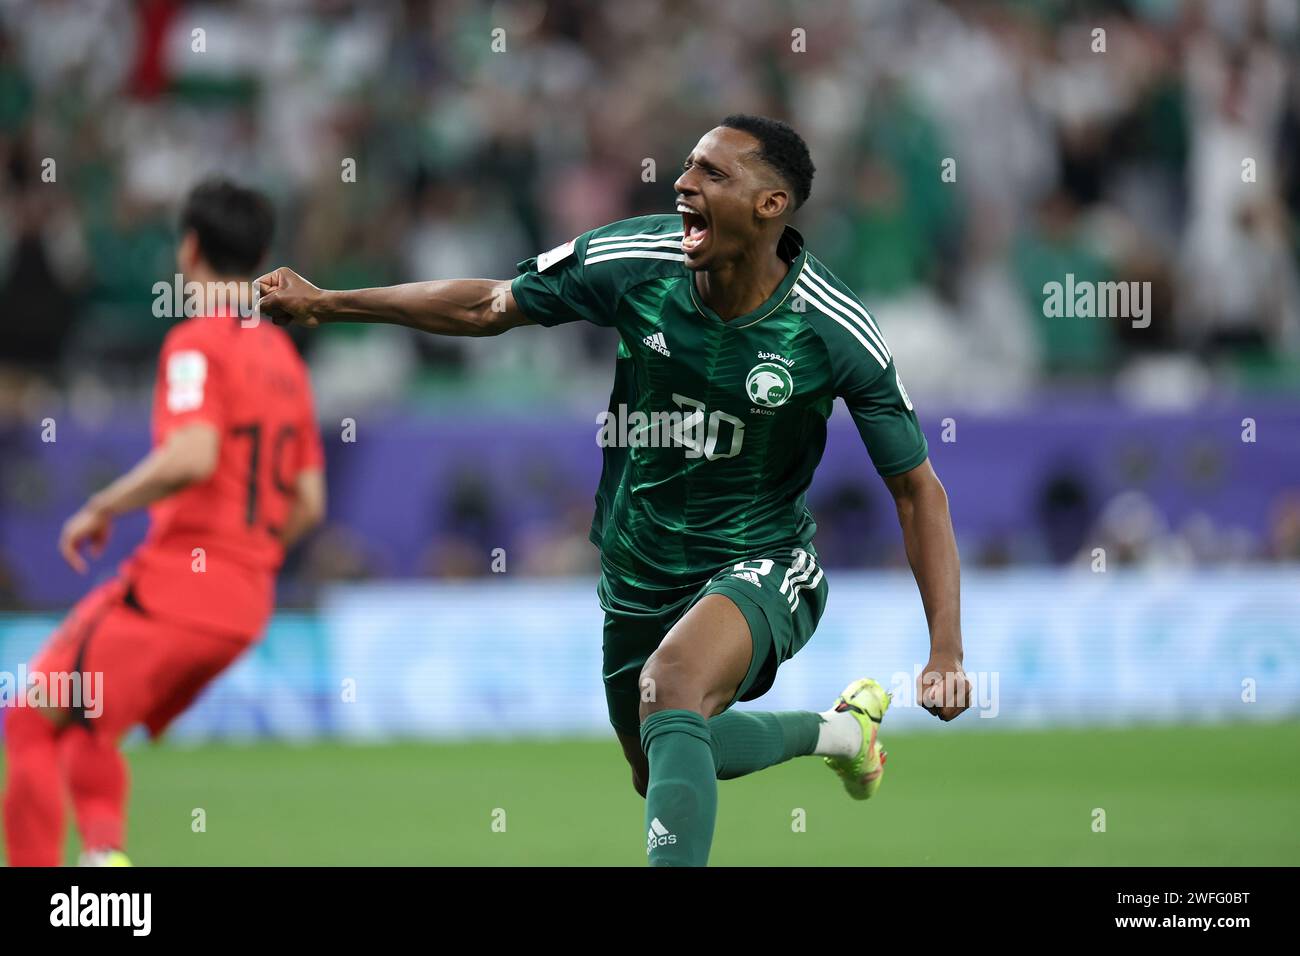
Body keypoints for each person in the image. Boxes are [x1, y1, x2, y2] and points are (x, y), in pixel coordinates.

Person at [257, 115, 968, 867]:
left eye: (714, 175)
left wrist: (946, 651)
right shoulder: (636, 260)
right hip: (636, 564)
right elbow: (492, 304)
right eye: (690, 166)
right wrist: (329, 303)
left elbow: (917, 490)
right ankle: (840, 734)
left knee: (672, 687)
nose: (684, 183)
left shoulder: (832, 329)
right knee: (658, 758)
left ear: (771, 205)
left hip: (762, 559)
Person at [2, 179, 326, 866]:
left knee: (30, 717)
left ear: (189, 249)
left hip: (174, 590)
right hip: (244, 607)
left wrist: (101, 506)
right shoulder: (284, 360)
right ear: (263, 253)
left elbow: (193, 453)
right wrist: (246, 558)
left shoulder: (196, 342)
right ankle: (102, 870)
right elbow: (308, 505)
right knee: (91, 725)